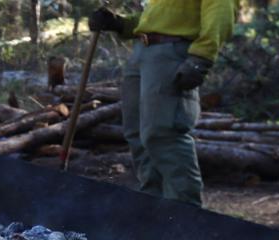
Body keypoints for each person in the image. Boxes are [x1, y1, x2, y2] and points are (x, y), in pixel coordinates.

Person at [89, 1, 234, 207]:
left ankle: (183, 217)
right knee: (137, 134)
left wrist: (201, 57)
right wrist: (120, 24)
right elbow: (160, 19)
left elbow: (221, 12)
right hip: (142, 51)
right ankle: (152, 215)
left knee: (164, 133)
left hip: (172, 52)